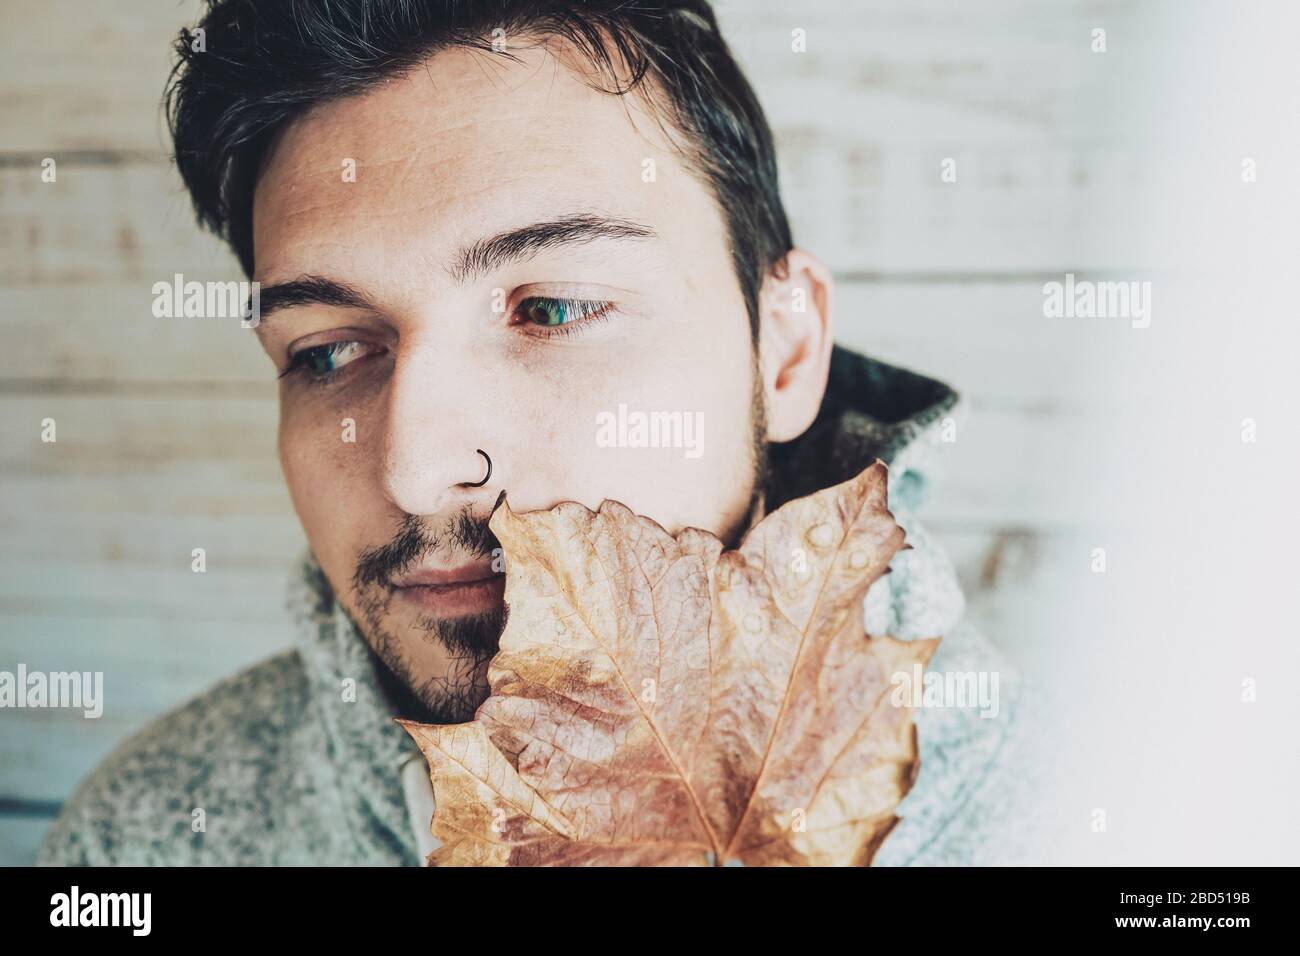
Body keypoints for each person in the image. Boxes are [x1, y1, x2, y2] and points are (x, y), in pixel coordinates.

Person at [39, 0, 1042, 866]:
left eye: (552, 310)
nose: (419, 469)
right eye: (330, 351)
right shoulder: (147, 837)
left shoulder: (1116, 815)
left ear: (784, 351)